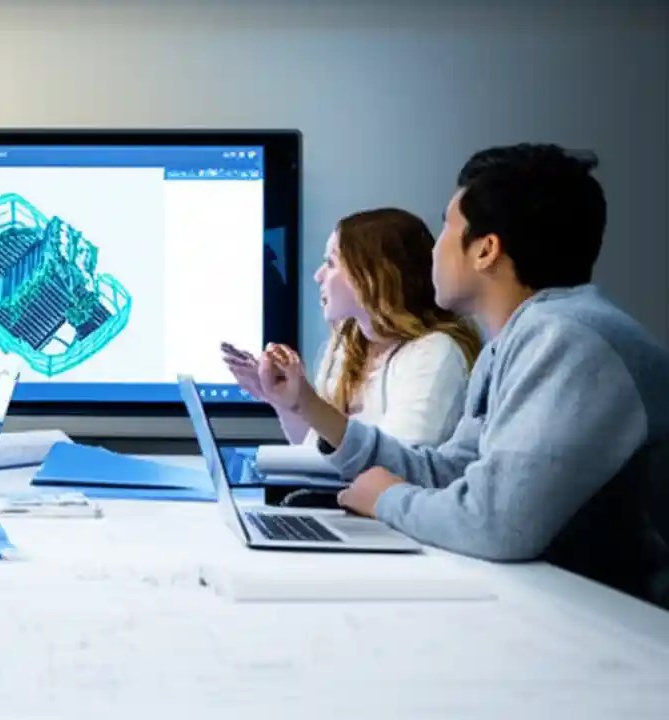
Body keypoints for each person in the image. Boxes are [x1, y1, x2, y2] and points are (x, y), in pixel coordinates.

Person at [256, 143, 669, 608]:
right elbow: (446, 472)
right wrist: (369, 471)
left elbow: (496, 523)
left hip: (626, 627)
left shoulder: (568, 338)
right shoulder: (515, 342)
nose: (433, 249)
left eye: (446, 229)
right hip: (567, 602)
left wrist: (388, 499)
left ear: (485, 250)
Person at [223, 208, 483, 448]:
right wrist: (283, 401)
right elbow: (314, 447)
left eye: (332, 263)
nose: (319, 275)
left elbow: (398, 461)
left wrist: (306, 401)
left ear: (374, 276)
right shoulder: (348, 345)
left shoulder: (435, 352)